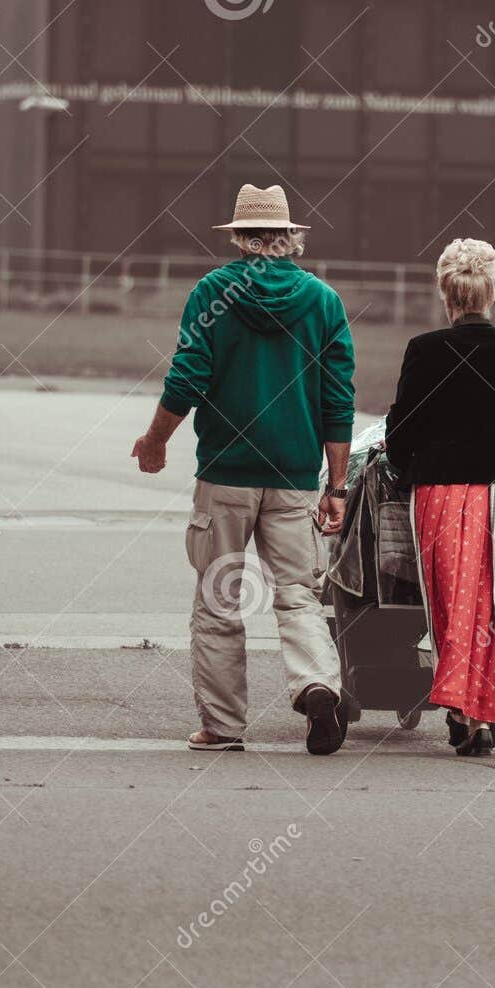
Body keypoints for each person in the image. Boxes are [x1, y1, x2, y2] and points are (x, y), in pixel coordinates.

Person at [131, 184, 354, 755]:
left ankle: (223, 726)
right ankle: (317, 685)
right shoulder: (324, 301)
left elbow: (187, 377)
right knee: (298, 595)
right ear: (289, 237)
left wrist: (155, 441)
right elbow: (337, 399)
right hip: (294, 476)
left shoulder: (213, 292)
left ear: (240, 238)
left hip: (226, 473)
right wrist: (336, 484)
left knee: (219, 600)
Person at [385, 239, 495, 755]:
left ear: (445, 291)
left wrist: (408, 464)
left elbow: (402, 428)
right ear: (492, 290)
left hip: (442, 488)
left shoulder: (425, 349)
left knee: (453, 601)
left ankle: (460, 706)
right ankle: (486, 707)